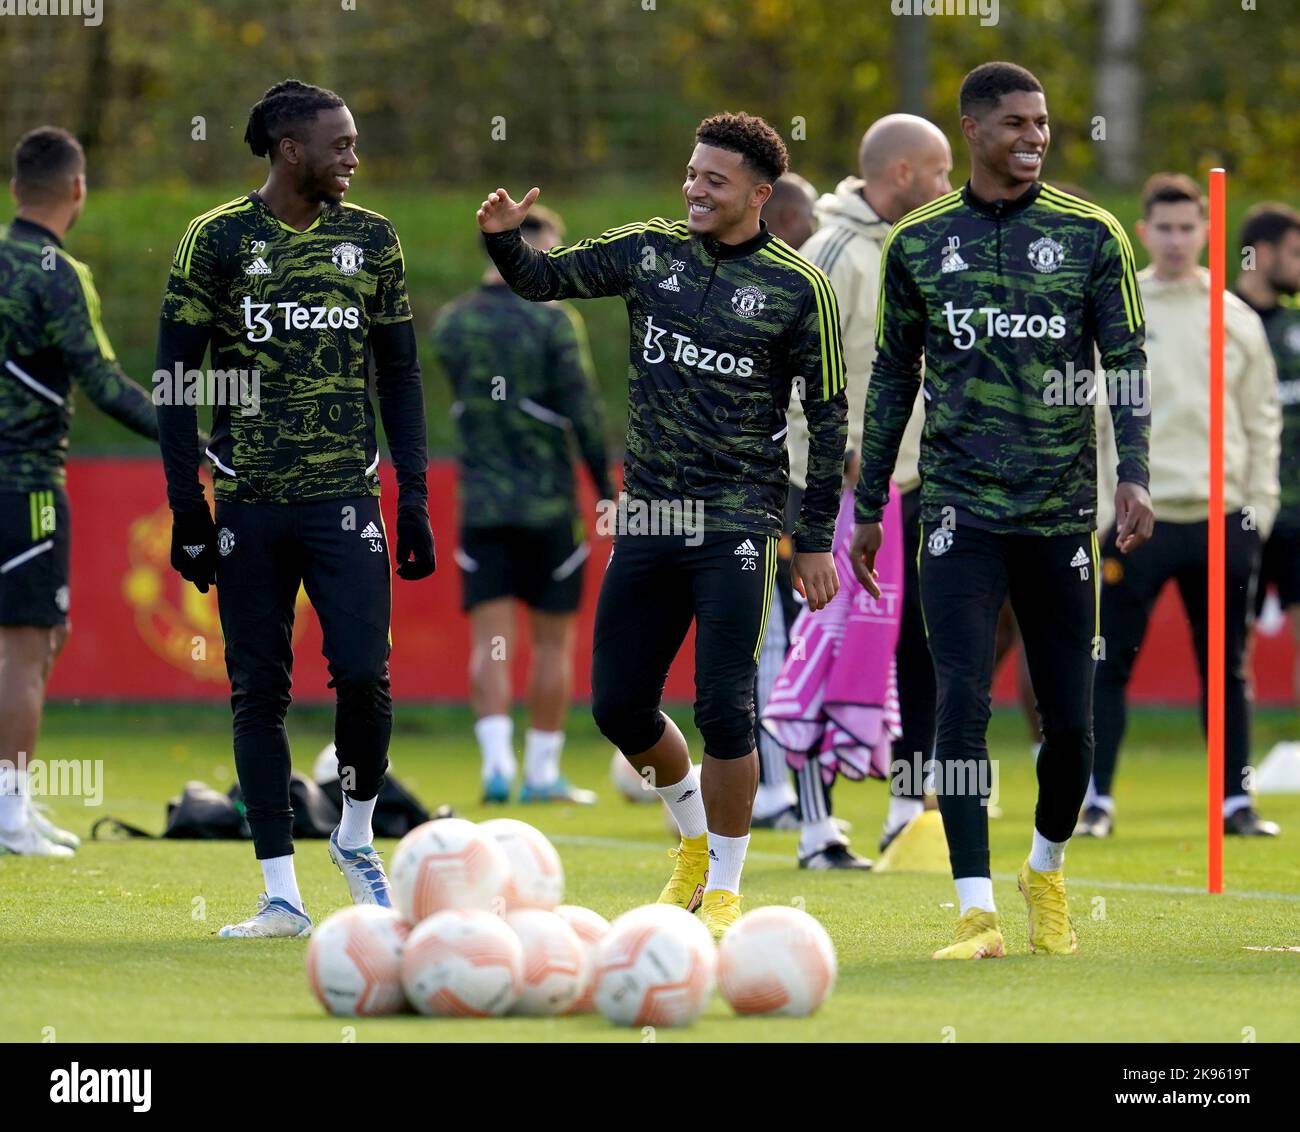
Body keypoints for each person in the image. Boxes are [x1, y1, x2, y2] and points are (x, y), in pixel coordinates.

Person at [477, 111, 847, 938]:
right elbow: (544, 280)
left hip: (738, 523)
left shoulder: (799, 289)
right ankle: (691, 840)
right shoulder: (650, 251)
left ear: (759, 194)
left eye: (714, 181)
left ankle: (724, 887)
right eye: (690, 174)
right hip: (648, 516)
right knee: (618, 708)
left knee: (724, 705)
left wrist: (813, 536)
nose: (694, 189)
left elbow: (829, 420)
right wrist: (505, 240)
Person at [851, 61, 1153, 959]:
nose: (1034, 136)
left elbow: (1126, 367)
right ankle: (976, 909)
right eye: (1016, 122)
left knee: (1069, 720)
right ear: (972, 129)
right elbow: (892, 378)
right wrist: (870, 506)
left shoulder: (1091, 234)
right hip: (955, 511)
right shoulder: (919, 242)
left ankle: (1047, 869)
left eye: (1044, 123)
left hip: (1060, 512)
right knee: (960, 702)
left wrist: (1131, 475)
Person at [155, 80, 436, 937]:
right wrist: (187, 507)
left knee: (362, 674)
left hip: (345, 498)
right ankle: (280, 893)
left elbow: (400, 372)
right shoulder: (218, 239)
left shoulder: (373, 240)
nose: (353, 156)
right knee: (258, 693)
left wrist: (414, 494)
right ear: (289, 149)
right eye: (340, 143)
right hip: (248, 502)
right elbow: (176, 382)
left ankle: (355, 837)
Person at [779, 114, 953, 869]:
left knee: (923, 648)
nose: (951, 187)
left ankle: (906, 812)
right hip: (835, 495)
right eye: (942, 172)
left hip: (913, 485)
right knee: (825, 645)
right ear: (905, 174)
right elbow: (787, 376)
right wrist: (838, 458)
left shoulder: (925, 246)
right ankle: (817, 830)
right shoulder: (832, 251)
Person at [1085, 174, 1282, 839]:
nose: (1175, 239)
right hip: (1136, 522)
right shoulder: (1117, 308)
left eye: (1186, 227)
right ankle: (1096, 801)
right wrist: (1097, 514)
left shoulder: (1236, 318)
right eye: (1163, 228)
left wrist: (1259, 509)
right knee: (1109, 662)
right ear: (1144, 232)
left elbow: (1261, 423)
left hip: (1221, 520)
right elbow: (1092, 423)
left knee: (1227, 669)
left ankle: (1235, 802)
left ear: (1205, 233)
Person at [0, 127, 160, 857]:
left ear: (14, 191)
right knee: (27, 647)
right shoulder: (56, 273)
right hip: (25, 481)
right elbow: (102, 384)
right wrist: (185, 436)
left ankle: (11, 801)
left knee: (41, 638)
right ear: (77, 189)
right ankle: (7, 812)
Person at [431, 204, 611, 804]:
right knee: (553, 643)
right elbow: (584, 414)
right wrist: (608, 492)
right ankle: (541, 773)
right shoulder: (553, 323)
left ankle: (495, 767)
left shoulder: (451, 326)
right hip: (549, 510)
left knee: (490, 640)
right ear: (532, 250)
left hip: (481, 505)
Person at [1236, 203, 1300, 713]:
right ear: (1264, 254)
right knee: (1234, 644)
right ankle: (1238, 771)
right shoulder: (1220, 323)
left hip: (1297, 509)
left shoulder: (1297, 327)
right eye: (1296, 254)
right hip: (1239, 504)